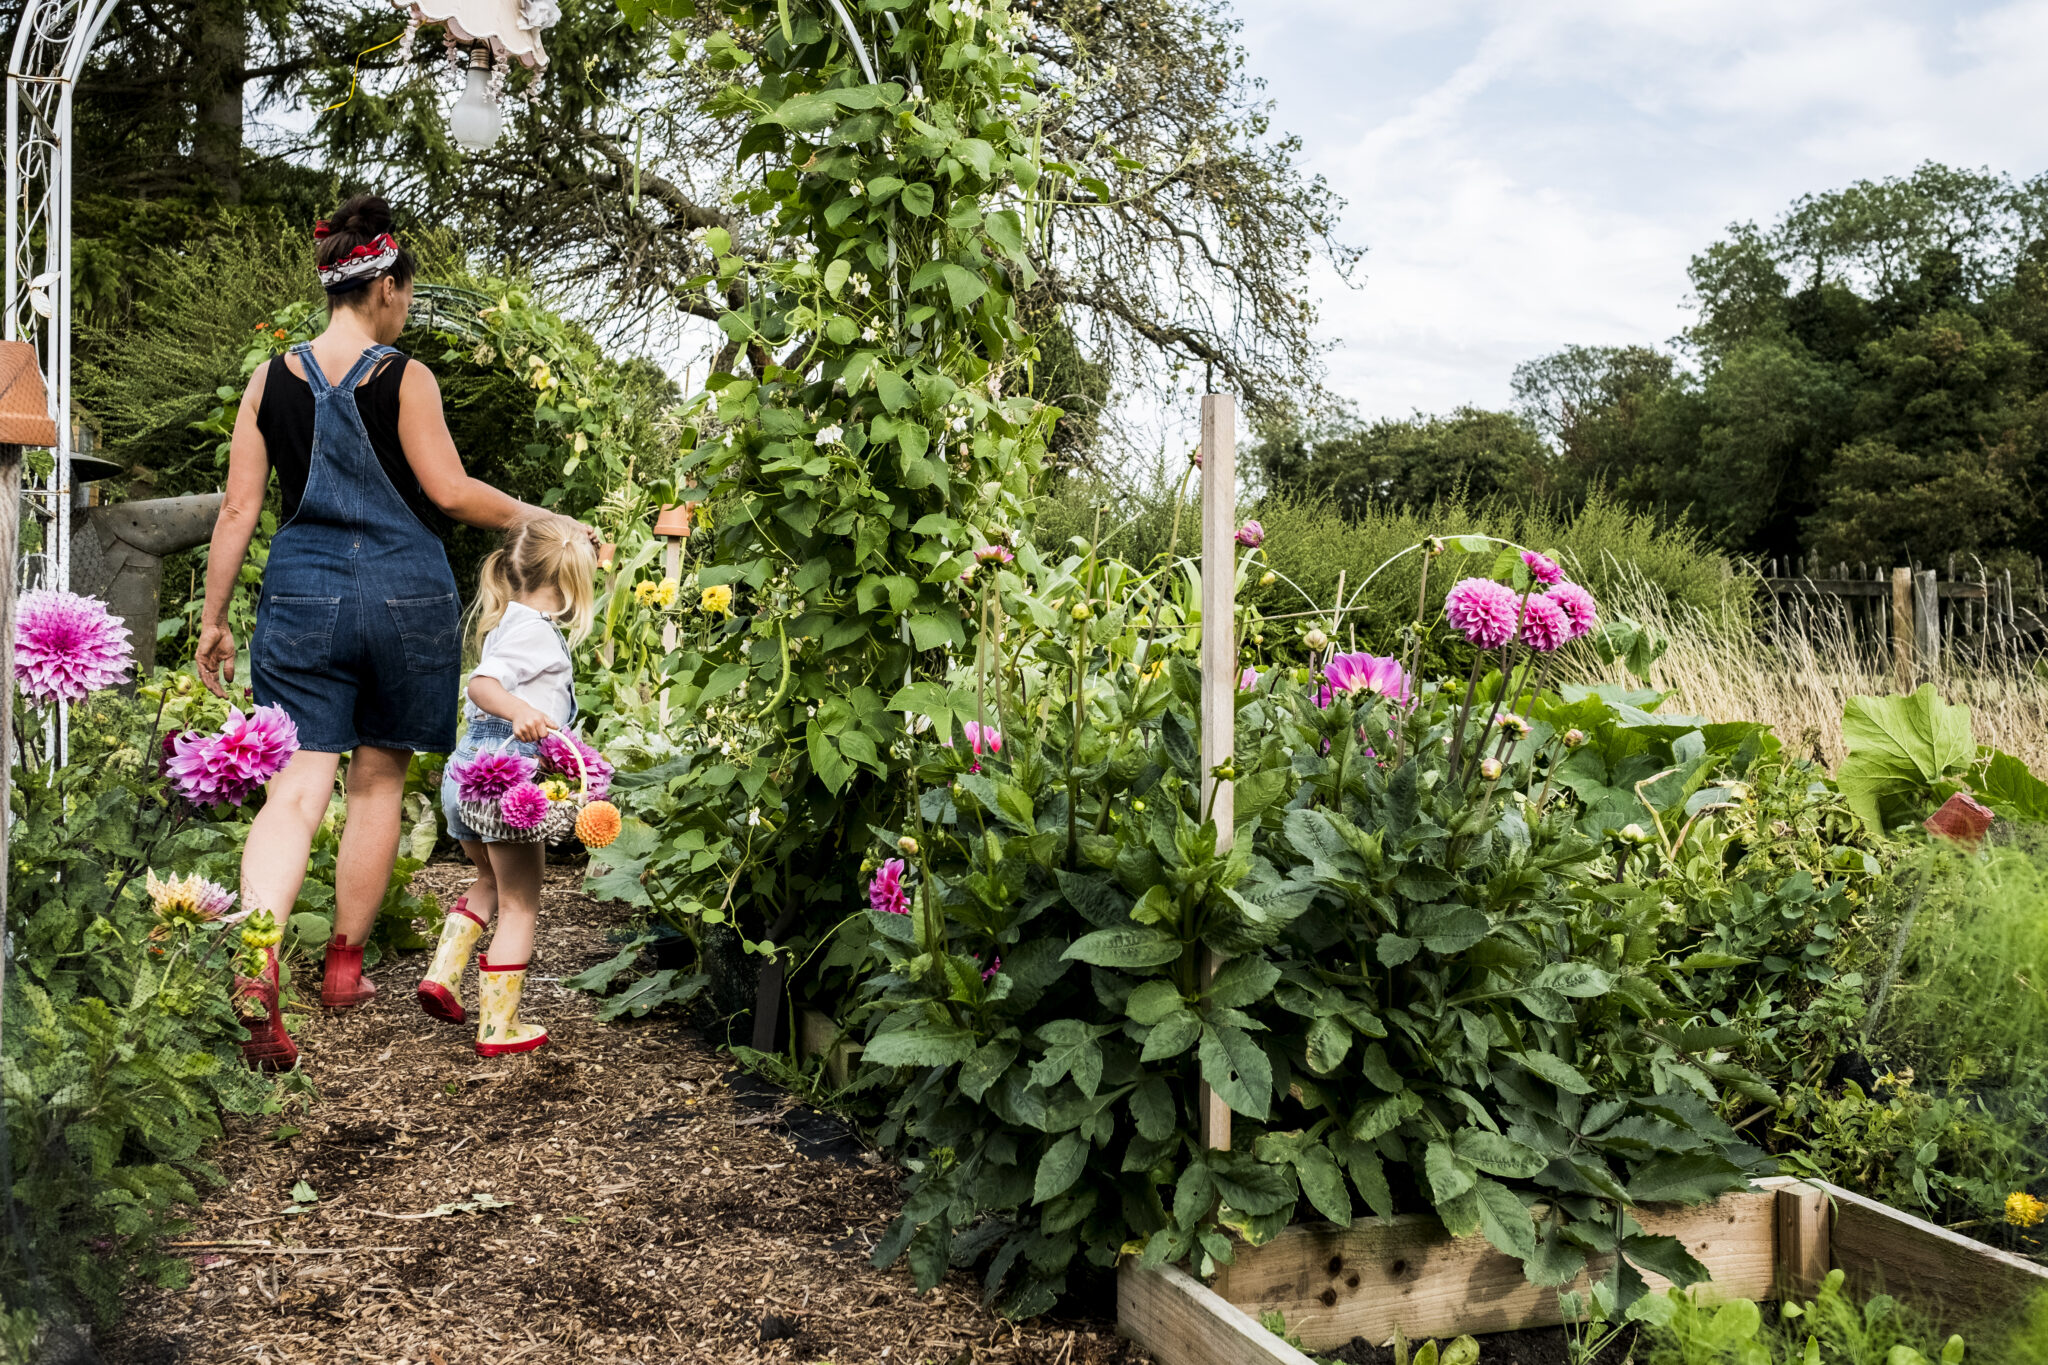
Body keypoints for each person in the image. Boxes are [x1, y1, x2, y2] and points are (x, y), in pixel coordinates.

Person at [195, 194, 589, 1061]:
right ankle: (343, 966)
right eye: (406, 292)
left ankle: (257, 968)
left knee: (295, 792)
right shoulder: (404, 376)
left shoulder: (270, 381)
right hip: (405, 597)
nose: (407, 306)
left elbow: (237, 509)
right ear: (385, 287)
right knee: (377, 783)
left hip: (301, 595)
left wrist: (215, 618)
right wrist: (544, 516)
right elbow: (448, 493)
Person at [417, 519, 594, 1056]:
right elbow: (483, 684)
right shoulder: (538, 631)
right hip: (504, 784)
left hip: (466, 777)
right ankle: (498, 1028)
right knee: (521, 903)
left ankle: (443, 977)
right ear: (569, 583)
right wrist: (520, 710)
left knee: (487, 879)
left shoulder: (506, 621)